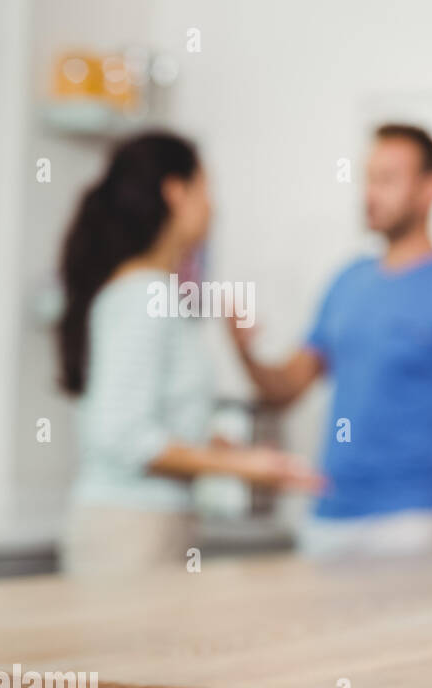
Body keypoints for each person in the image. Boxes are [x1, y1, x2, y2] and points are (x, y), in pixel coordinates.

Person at [56, 131, 323, 578]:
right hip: (126, 532)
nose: (213, 208)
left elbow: (156, 425)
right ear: (176, 192)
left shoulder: (157, 294)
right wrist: (239, 465)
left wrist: (234, 453)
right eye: (206, 190)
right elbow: (123, 436)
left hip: (155, 527)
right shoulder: (144, 294)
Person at [228, 124, 432, 558]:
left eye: (388, 180)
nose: (371, 194)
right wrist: (245, 351)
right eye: (368, 178)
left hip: (411, 525)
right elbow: (286, 389)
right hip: (326, 521)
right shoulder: (346, 282)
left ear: (429, 188)